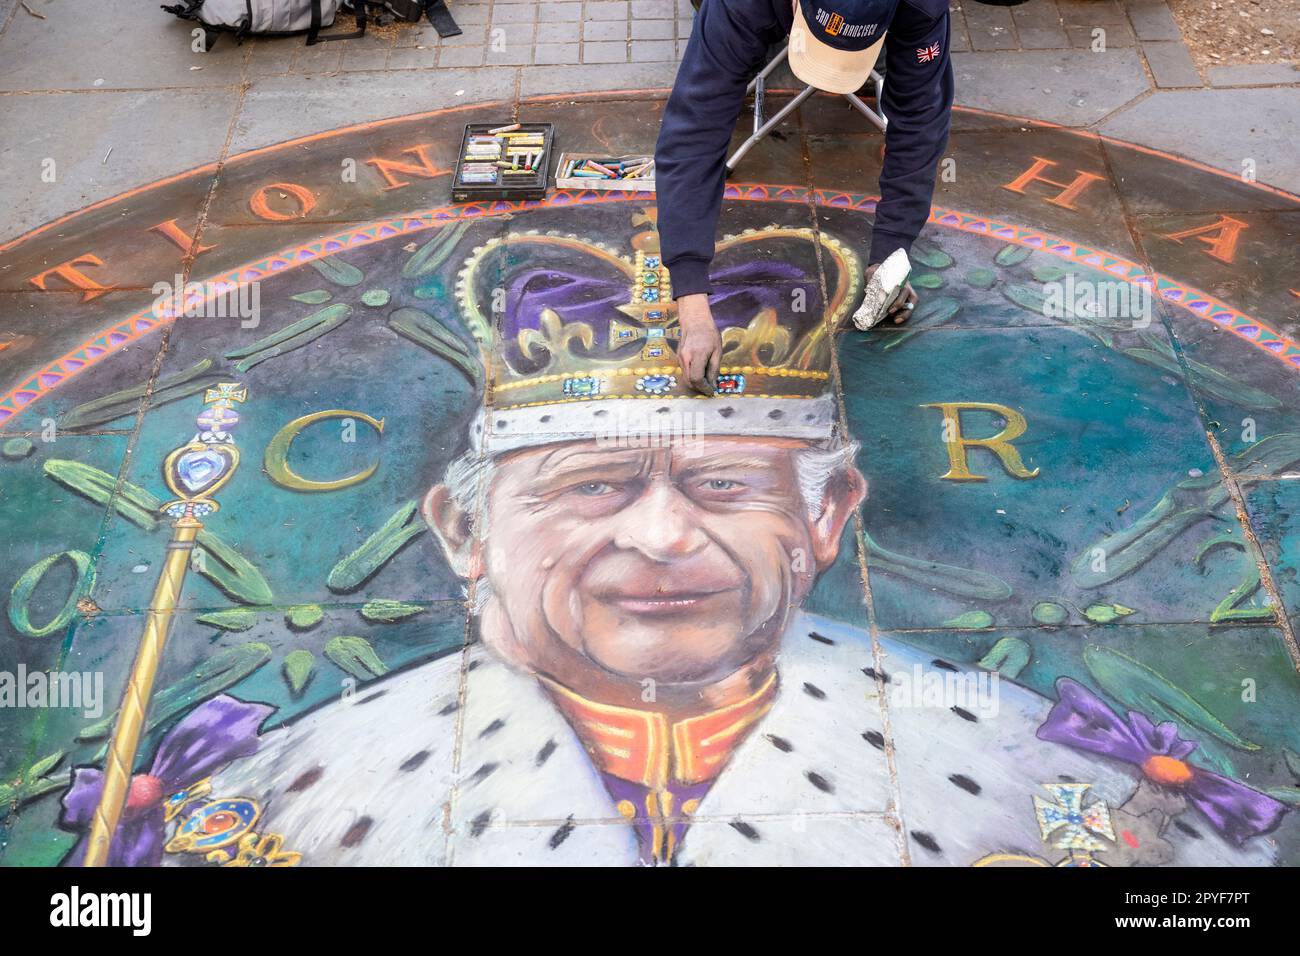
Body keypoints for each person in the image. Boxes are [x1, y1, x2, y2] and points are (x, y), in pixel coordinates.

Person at [88, 216, 1283, 867]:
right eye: (594, 483)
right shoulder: (254, 807)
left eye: (722, 482)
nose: (661, 537)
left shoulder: (1070, 788)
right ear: (463, 527)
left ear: (825, 516)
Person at [655, 0, 954, 391]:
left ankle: (851, 50)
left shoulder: (921, 6)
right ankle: (748, 41)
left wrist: (891, 253)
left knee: (916, 81)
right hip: (754, 11)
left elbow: (921, 123)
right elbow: (693, 131)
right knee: (720, 60)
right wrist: (692, 306)